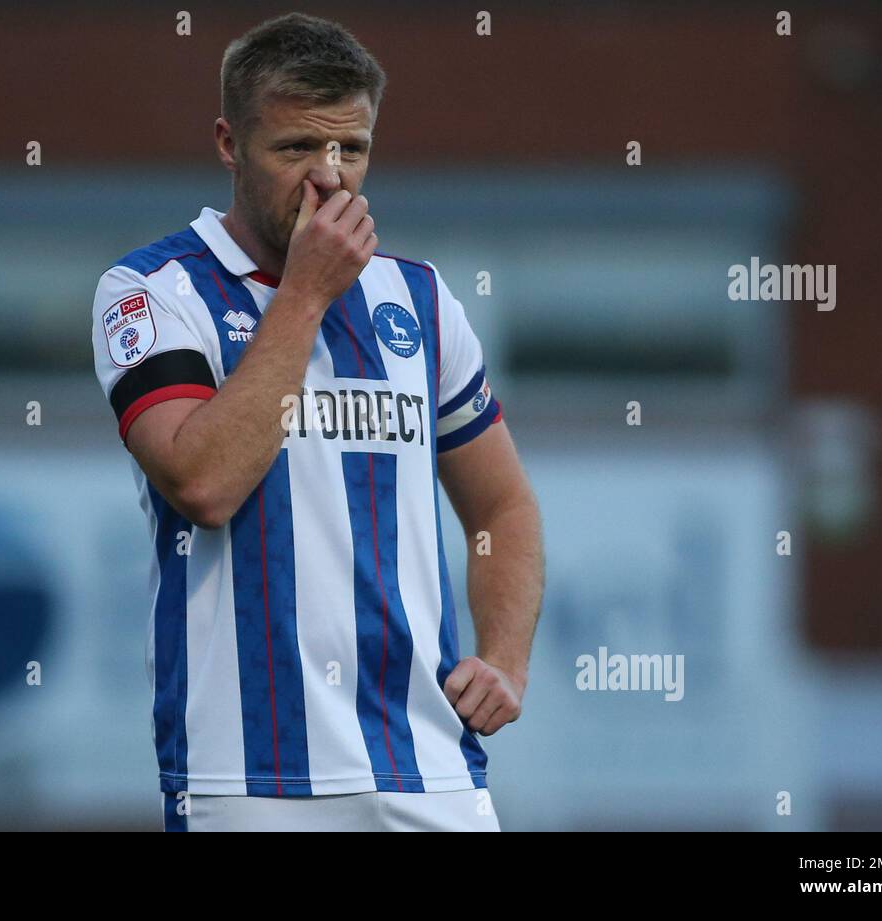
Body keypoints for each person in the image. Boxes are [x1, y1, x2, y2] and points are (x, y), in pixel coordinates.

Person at [90, 12, 543, 832]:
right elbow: (205, 482)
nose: (330, 180)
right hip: (251, 778)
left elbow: (502, 508)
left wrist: (505, 658)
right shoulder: (153, 292)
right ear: (230, 143)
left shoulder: (420, 300)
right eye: (297, 148)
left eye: (353, 150)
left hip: (432, 768)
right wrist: (303, 294)